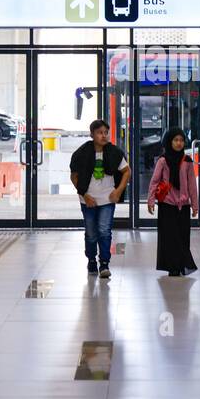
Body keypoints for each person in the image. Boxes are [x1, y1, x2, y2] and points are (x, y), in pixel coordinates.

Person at [69, 119, 129, 279]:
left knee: (104, 231)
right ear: (92, 134)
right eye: (99, 132)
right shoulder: (82, 153)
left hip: (107, 199)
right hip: (87, 199)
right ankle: (91, 261)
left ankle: (104, 264)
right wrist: (84, 195)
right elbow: (73, 176)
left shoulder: (114, 152)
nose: (103, 136)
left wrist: (118, 191)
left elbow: (126, 171)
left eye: (105, 132)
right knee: (91, 233)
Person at [147, 128, 199, 277]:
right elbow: (154, 181)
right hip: (167, 204)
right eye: (176, 140)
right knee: (169, 237)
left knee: (182, 237)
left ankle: (181, 264)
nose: (179, 143)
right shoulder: (163, 160)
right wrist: (151, 201)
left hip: (183, 205)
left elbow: (192, 186)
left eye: (181, 140)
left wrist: (195, 205)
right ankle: (172, 266)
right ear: (169, 142)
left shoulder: (187, 161)